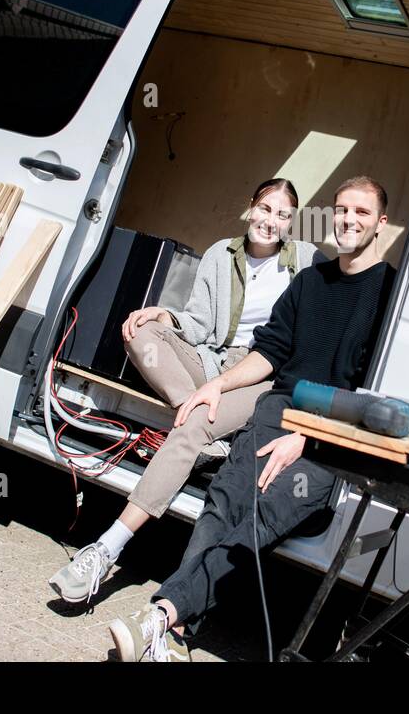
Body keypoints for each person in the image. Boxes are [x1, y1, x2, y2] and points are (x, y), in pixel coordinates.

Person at [107, 176, 398, 662]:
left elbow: (369, 386)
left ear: (381, 224)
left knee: (257, 523)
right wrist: (217, 385)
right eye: (342, 210)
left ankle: (161, 615)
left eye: (362, 213)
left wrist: (309, 436)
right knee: (220, 506)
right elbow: (271, 350)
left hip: (327, 440)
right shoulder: (310, 281)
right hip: (275, 413)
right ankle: (174, 629)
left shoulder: (388, 290)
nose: (349, 220)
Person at [49, 178, 321, 605]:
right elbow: (197, 325)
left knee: (195, 425)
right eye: (266, 209)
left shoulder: (305, 262)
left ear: (292, 223)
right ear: (251, 207)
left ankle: (107, 547)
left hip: (261, 377)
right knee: (141, 332)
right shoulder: (219, 254)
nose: (272, 221)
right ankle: (191, 412)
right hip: (212, 363)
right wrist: (165, 316)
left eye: (283, 215)